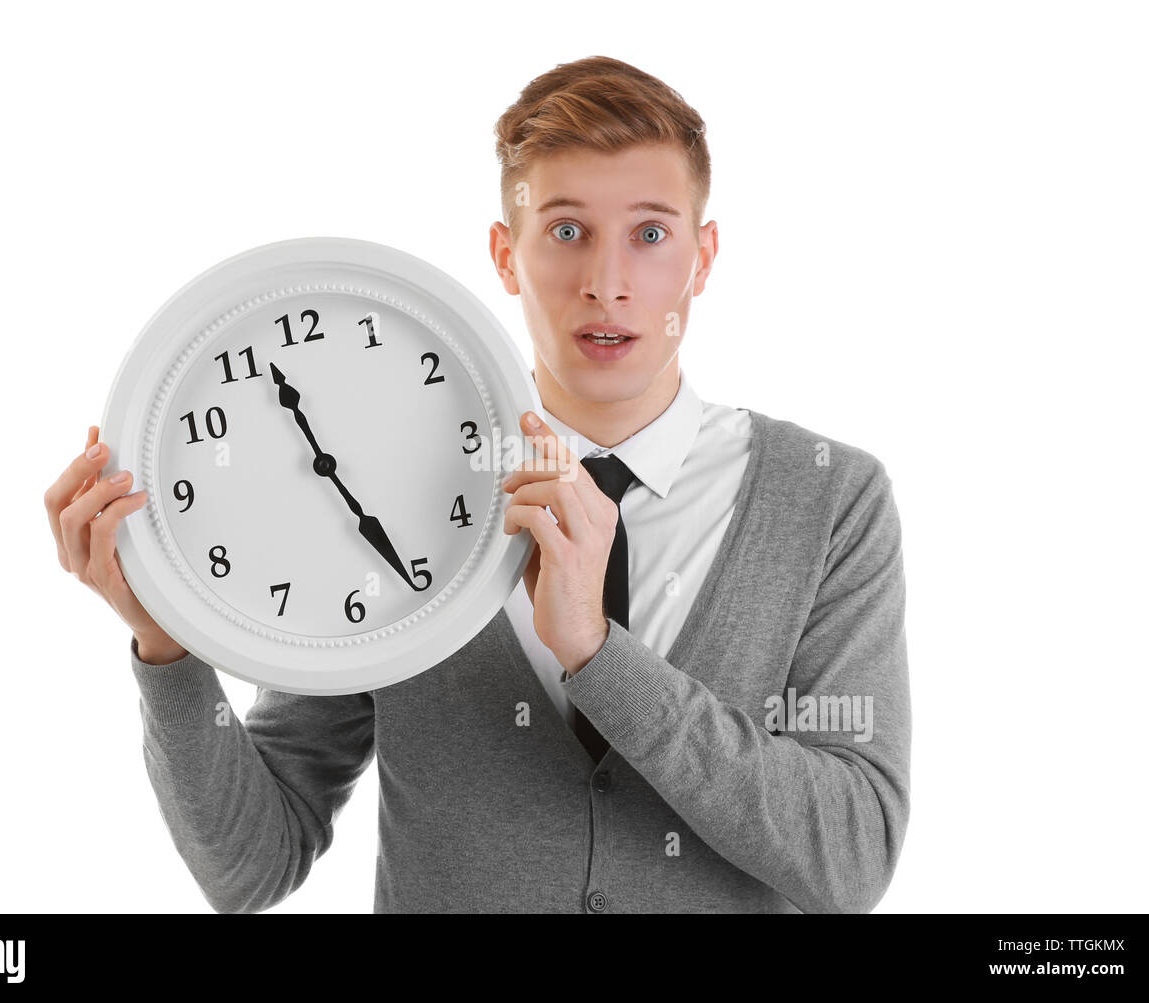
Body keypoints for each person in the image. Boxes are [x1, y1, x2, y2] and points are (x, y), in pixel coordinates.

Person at [44, 55, 910, 913]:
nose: (606, 283)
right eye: (566, 231)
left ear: (703, 256)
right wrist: (170, 644)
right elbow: (251, 867)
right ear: (506, 254)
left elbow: (853, 857)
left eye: (651, 234)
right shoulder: (389, 503)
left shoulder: (830, 501)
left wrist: (598, 654)